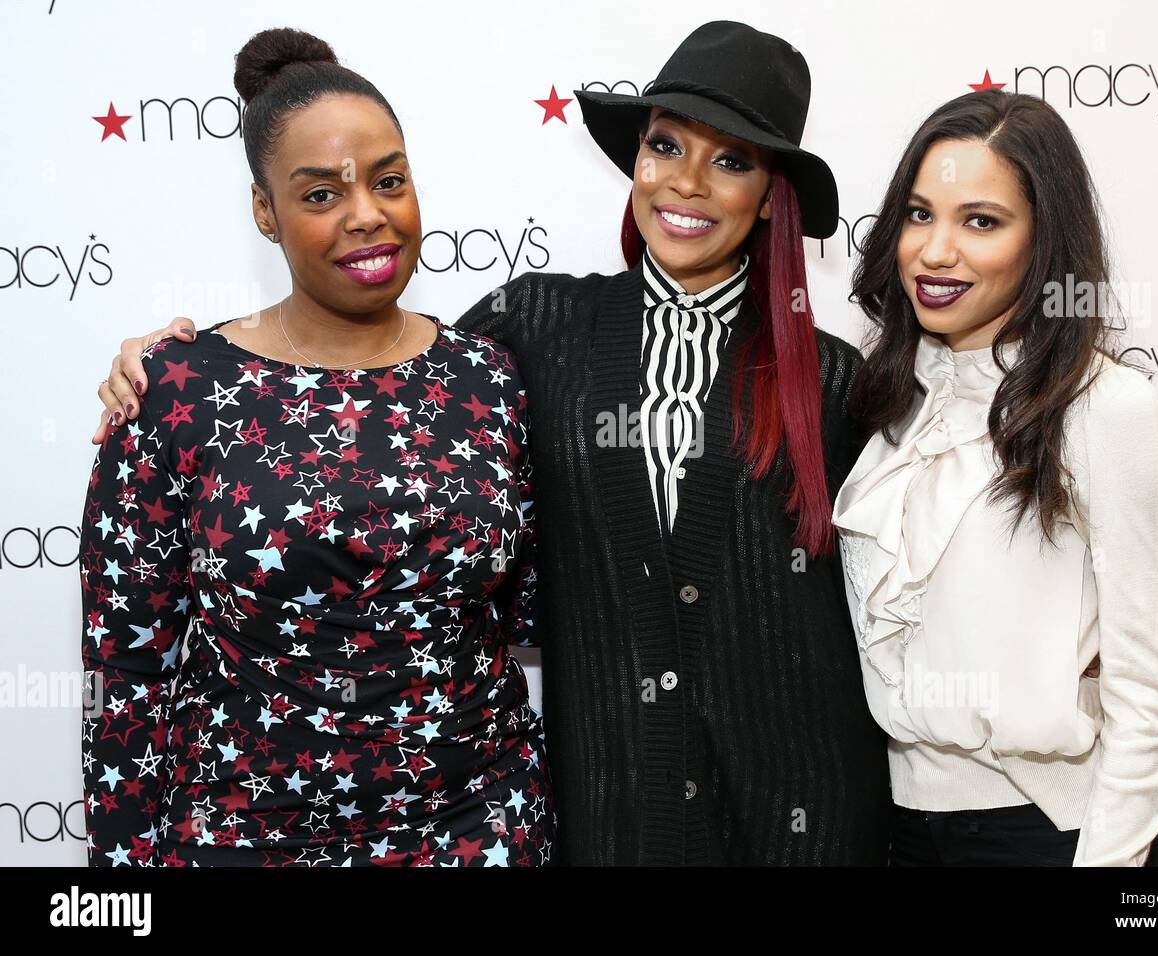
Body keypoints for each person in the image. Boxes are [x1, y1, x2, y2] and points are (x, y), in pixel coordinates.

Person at [88, 21, 891, 865]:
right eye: (665, 145)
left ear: (772, 193)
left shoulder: (830, 381)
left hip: (747, 815)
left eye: (732, 160)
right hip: (570, 818)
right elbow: (367, 382)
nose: (688, 182)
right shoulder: (530, 332)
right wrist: (172, 360)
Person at [78, 27, 553, 866]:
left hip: (478, 832)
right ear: (265, 212)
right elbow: (126, 672)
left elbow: (535, 612)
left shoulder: (489, 376)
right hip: (244, 838)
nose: (367, 214)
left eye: (388, 181)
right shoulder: (176, 389)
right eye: (320, 194)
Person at [835, 89, 1158, 866]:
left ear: (1042, 241)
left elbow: (1144, 690)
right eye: (920, 214)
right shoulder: (887, 401)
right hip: (899, 830)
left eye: (980, 221)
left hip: (1049, 835)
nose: (935, 250)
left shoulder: (1105, 408)